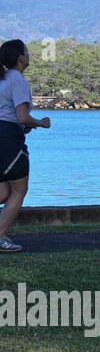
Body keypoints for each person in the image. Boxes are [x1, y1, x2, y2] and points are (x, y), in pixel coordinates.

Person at [0, 40, 52, 253]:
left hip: (5, 133)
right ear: (21, 58)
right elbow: (22, 116)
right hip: (8, 139)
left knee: (3, 193)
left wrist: (23, 125)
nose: (29, 55)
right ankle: (1, 237)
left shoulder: (2, 79)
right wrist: (41, 122)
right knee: (20, 189)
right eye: (27, 52)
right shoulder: (18, 81)